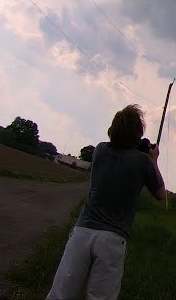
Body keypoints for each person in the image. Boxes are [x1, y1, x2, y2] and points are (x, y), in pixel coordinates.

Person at [47, 105, 167, 300]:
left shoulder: (100, 150)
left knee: (61, 293)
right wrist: (153, 159)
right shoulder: (143, 162)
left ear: (113, 129)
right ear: (138, 132)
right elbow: (161, 195)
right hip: (113, 239)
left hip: (82, 232)